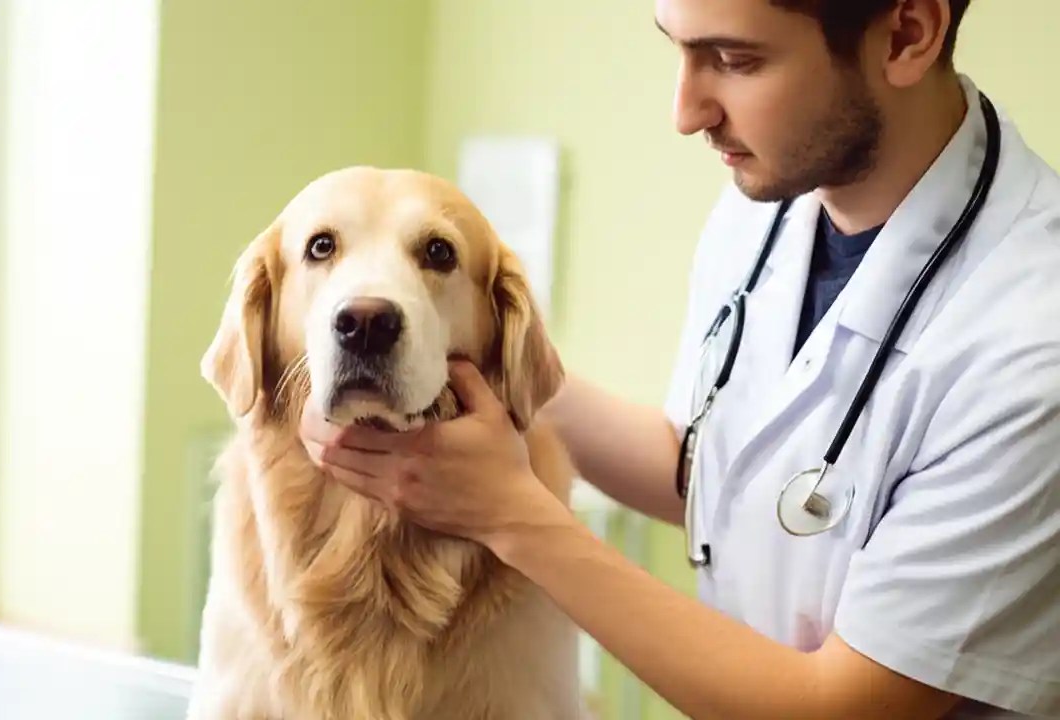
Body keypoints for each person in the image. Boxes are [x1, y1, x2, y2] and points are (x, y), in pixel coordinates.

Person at [299, 0, 1060, 717]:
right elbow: (705, 468)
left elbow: (842, 705)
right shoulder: (766, 206)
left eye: (733, 59)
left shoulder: (1030, 344)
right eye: (678, 50)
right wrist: (479, 354)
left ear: (907, 33)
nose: (685, 112)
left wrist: (513, 516)